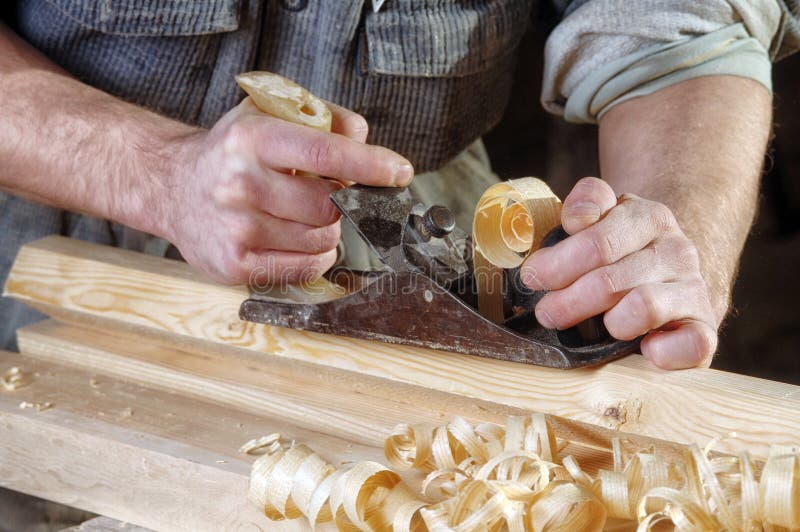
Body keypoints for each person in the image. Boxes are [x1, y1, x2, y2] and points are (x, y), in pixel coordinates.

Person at [0, 0, 795, 373]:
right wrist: (159, 170)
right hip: (48, 249)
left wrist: (662, 242)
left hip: (403, 225)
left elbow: (680, 26)